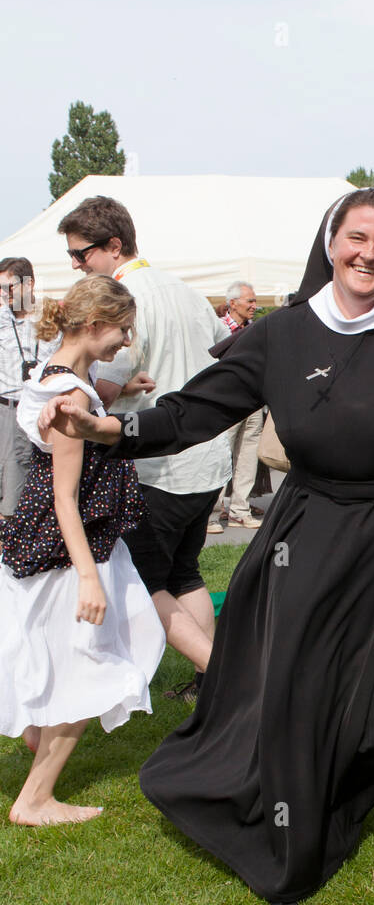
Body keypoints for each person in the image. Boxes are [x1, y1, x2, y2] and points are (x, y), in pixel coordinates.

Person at [40, 189, 374, 905]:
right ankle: (293, 810)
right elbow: (196, 408)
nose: (369, 253)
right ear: (332, 242)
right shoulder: (283, 334)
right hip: (314, 524)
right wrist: (117, 433)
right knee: (299, 679)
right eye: (357, 237)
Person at [0, 276, 164, 825]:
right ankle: (35, 799)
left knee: (69, 649)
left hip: (62, 541)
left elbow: (94, 393)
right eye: (121, 330)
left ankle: (35, 737)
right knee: (89, 661)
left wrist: (126, 389)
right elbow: (66, 499)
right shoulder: (67, 398)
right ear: (93, 325)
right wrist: (89, 576)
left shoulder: (62, 374)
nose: (124, 340)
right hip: (72, 546)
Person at [56, 195, 231, 676]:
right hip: (205, 459)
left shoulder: (122, 300)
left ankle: (221, 676)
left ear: (113, 245)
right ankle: (208, 684)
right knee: (183, 573)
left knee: (143, 581)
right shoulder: (185, 290)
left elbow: (101, 393)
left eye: (81, 253)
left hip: (157, 465)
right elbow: (225, 362)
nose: (75, 265)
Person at [0, 257, 60, 517]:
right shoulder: (2, 318)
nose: (4, 294)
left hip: (37, 411)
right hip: (5, 407)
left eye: (9, 287)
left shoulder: (51, 319)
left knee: (21, 491)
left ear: (30, 283)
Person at [207, 282, 265, 533]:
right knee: (221, 456)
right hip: (226, 401)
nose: (254, 306)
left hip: (252, 400)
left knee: (248, 456)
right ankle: (211, 513)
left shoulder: (255, 329)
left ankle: (240, 510)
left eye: (254, 301)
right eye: (249, 301)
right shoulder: (218, 329)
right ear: (233, 304)